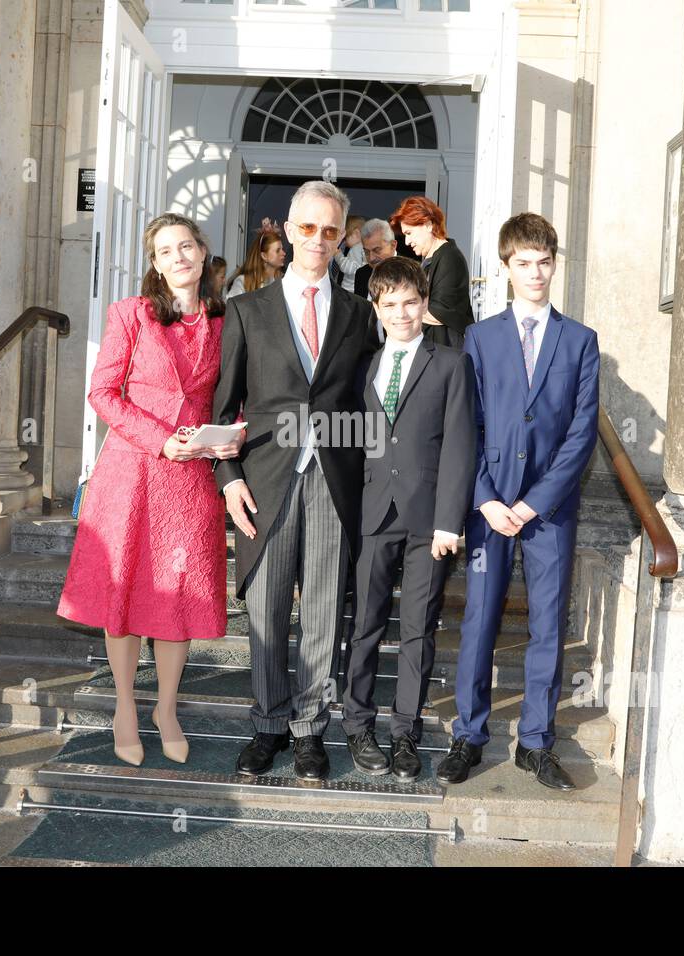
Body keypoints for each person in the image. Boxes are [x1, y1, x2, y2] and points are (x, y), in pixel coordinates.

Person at [56, 212, 244, 768]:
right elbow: (103, 393)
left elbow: (234, 397)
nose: (179, 257)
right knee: (125, 595)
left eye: (186, 246)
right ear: (155, 265)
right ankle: (122, 706)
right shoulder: (131, 315)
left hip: (189, 483)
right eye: (166, 251)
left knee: (177, 594)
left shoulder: (226, 320)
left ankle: (166, 707)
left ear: (204, 253)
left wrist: (233, 435)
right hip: (133, 473)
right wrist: (162, 441)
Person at [212, 179, 378, 780]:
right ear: (285, 227)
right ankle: (267, 725)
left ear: (341, 238)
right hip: (264, 480)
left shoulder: (361, 314)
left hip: (335, 481)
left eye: (329, 231)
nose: (316, 240)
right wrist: (228, 478)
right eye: (306, 227)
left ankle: (310, 730)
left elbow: (367, 404)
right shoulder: (245, 311)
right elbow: (221, 408)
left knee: (325, 613)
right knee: (266, 609)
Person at [437, 212, 599, 792]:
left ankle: (536, 741)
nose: (535, 273)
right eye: (523, 264)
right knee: (479, 619)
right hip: (490, 510)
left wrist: (533, 504)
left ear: (556, 265)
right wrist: (484, 499)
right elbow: (467, 427)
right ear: (505, 269)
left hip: (547, 513)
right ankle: (470, 733)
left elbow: (581, 432)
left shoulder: (580, 341)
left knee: (548, 626)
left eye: (544, 262)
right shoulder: (481, 338)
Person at [341, 256, 476, 782]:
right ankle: (358, 723)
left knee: (418, 629)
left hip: (428, 520)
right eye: (390, 304)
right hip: (373, 512)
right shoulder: (365, 365)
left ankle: (404, 731)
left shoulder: (451, 363)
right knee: (366, 623)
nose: (401, 313)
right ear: (376, 308)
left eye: (410, 303)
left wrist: (450, 521)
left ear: (425, 305)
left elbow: (462, 445)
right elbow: (352, 441)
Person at [390, 196, 475, 349]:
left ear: (428, 225)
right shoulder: (432, 259)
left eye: (409, 233)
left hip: (444, 351)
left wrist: (397, 311)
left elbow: (440, 312)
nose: (407, 242)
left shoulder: (449, 257)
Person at [352, 218, 400, 343]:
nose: (371, 258)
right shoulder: (362, 274)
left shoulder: (411, 272)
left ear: (393, 245)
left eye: (377, 250)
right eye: (366, 252)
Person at [226, 226, 286, 298]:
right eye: (278, 250)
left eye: (282, 249)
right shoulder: (244, 281)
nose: (283, 253)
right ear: (264, 256)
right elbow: (231, 305)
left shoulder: (283, 281)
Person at [334, 214, 366, 293]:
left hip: (350, 291)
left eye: (346, 237)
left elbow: (348, 268)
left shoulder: (356, 248)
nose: (344, 242)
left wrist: (338, 255)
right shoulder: (365, 249)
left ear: (356, 233)